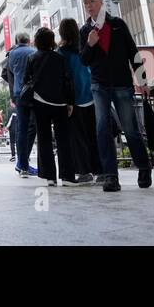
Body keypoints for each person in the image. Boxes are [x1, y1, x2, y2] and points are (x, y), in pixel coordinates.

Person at [79, 0, 148, 193]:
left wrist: (142, 80)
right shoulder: (85, 31)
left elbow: (133, 52)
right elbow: (83, 60)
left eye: (92, 1)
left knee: (130, 128)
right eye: (86, 3)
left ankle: (144, 168)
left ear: (100, 2)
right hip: (99, 84)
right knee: (102, 129)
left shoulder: (117, 24)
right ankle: (110, 176)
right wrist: (90, 45)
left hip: (121, 83)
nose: (89, 5)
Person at [24, 27, 78, 187]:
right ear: (51, 41)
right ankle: (67, 176)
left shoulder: (32, 58)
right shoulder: (60, 58)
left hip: (40, 102)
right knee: (63, 139)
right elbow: (68, 81)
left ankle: (50, 177)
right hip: (60, 103)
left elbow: (26, 80)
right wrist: (70, 102)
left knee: (44, 139)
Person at [58, 17, 99, 185]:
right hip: (92, 96)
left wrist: (67, 101)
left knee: (78, 138)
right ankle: (100, 171)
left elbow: (65, 78)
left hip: (74, 100)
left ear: (61, 32)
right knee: (94, 136)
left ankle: (84, 172)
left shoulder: (62, 53)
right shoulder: (84, 48)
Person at [2, 33, 37, 177]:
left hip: (18, 94)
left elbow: (5, 74)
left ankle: (22, 165)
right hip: (34, 94)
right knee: (33, 126)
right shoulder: (33, 52)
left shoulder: (11, 55)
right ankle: (23, 163)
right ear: (28, 41)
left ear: (17, 41)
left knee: (21, 129)